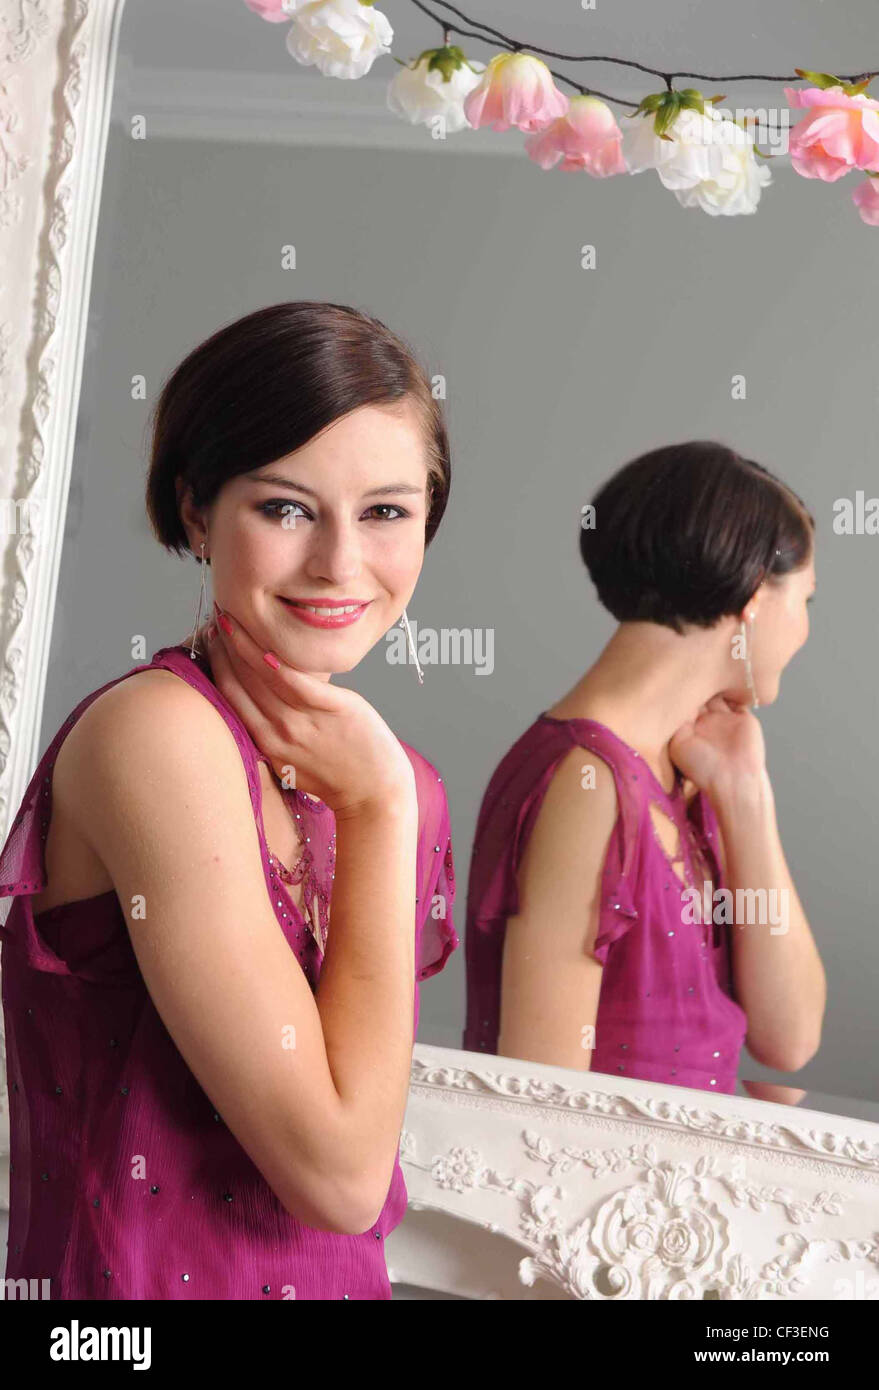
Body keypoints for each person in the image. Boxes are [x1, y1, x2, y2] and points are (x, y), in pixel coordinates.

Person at [0, 301, 458, 1300]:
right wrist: (381, 813)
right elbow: (337, 1177)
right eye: (287, 507)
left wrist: (384, 800)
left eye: (385, 511)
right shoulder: (156, 737)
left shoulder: (392, 776)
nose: (341, 563)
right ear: (198, 511)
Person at [463, 440, 825, 1096]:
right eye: (805, 601)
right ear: (752, 596)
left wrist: (746, 800)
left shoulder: (684, 768)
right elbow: (541, 1105)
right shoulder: (586, 783)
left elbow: (789, 1038)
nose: (802, 630)